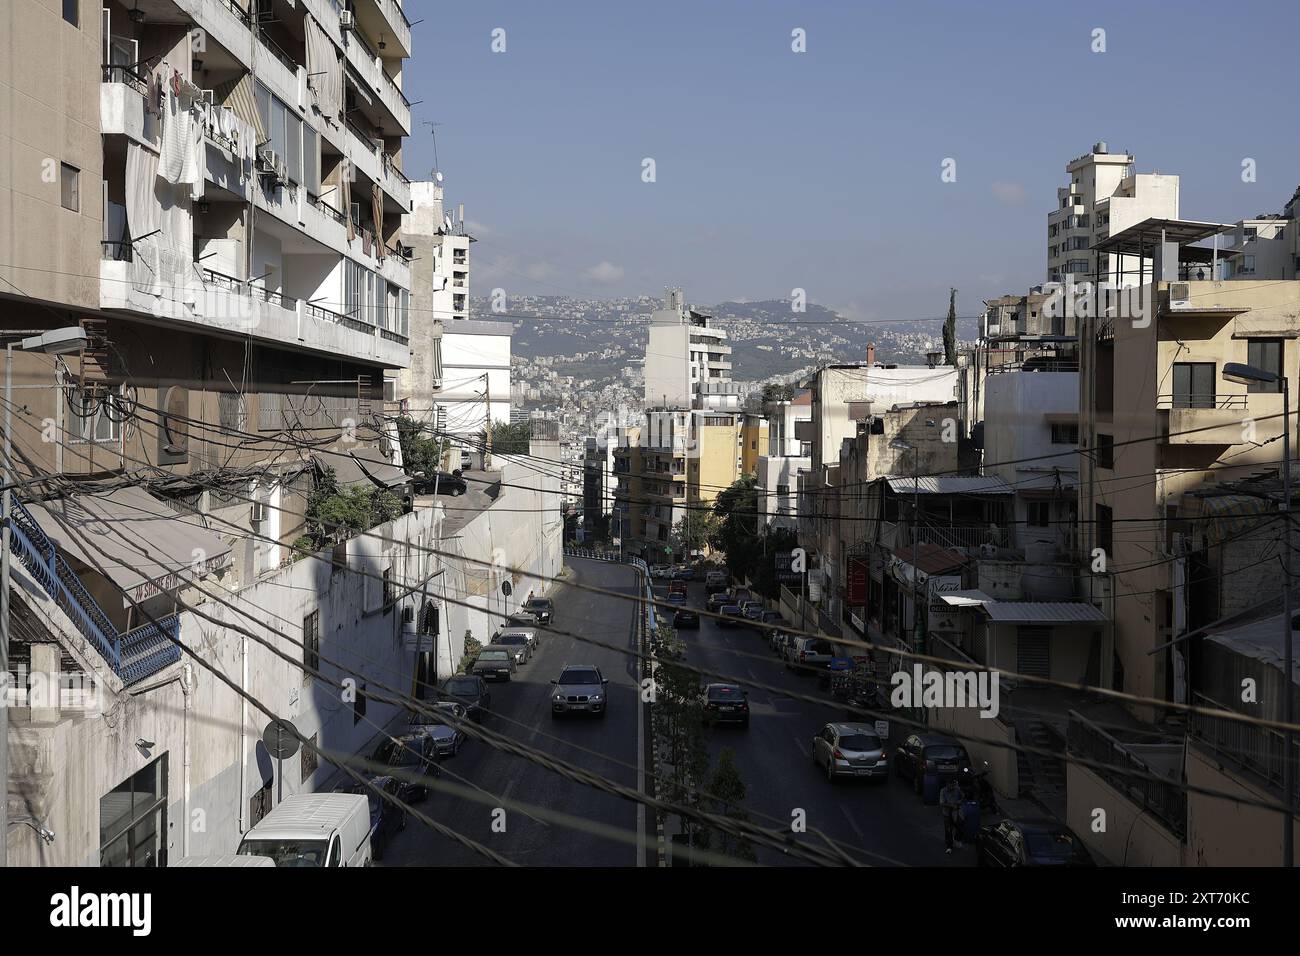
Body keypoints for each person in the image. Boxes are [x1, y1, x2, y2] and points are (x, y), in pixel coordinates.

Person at [939, 777, 965, 853]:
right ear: (947, 784)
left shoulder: (957, 789)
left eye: (953, 784)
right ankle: (949, 846)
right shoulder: (943, 791)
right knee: (948, 830)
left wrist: (960, 801)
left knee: (961, 826)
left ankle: (956, 839)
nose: (952, 786)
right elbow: (942, 803)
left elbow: (963, 796)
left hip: (956, 813)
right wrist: (951, 805)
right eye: (951, 785)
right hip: (947, 813)